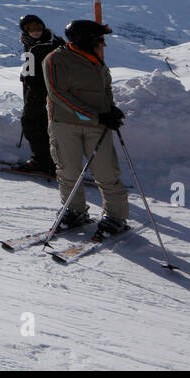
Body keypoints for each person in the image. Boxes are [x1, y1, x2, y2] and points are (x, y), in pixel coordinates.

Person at [44, 19, 129, 237]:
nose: (103, 44)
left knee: (106, 171)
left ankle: (116, 216)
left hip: (97, 125)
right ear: (84, 40)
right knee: (68, 171)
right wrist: (97, 115)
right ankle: (75, 211)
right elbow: (59, 95)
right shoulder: (56, 60)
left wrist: (111, 110)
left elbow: (104, 89)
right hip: (65, 124)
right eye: (99, 39)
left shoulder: (96, 60)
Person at [16, 14, 64, 176]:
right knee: (40, 124)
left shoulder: (52, 43)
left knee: (32, 123)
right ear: (24, 30)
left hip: (46, 91)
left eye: (37, 27)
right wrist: (26, 73)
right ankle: (49, 161)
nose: (35, 31)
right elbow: (31, 64)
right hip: (35, 90)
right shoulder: (30, 44)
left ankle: (43, 162)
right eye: (29, 28)